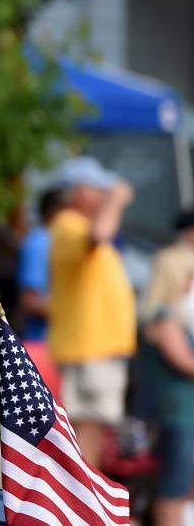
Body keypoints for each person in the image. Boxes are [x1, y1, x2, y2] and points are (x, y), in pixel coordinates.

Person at [47, 156, 135, 468]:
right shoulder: (69, 224)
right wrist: (117, 201)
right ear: (80, 192)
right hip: (88, 349)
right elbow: (99, 234)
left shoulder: (77, 226)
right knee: (87, 427)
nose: (103, 196)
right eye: (99, 190)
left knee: (93, 427)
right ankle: (82, 494)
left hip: (96, 349)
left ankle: (85, 491)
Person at [137, 210, 194, 526]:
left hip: (182, 414)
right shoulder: (163, 318)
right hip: (176, 416)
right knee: (173, 489)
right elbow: (184, 362)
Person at [16, 188, 65, 397]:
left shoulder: (63, 243)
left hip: (66, 350)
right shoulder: (39, 242)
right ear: (56, 211)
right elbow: (30, 300)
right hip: (44, 349)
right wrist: (76, 312)